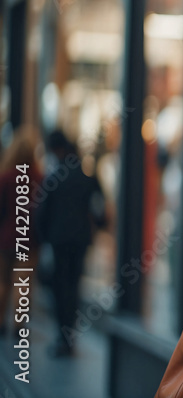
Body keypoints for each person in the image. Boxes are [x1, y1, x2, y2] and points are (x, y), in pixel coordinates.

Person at [37, 129, 106, 357]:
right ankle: (70, 337)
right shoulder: (87, 177)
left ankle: (63, 337)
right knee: (73, 287)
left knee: (60, 288)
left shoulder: (54, 177)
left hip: (59, 240)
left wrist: (42, 237)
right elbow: (100, 208)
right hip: (79, 240)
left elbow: (42, 213)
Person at [0, 126, 42, 337]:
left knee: (3, 281)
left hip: (6, 238)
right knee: (23, 282)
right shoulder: (39, 178)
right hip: (29, 238)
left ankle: (1, 322)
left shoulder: (5, 177)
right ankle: (18, 325)